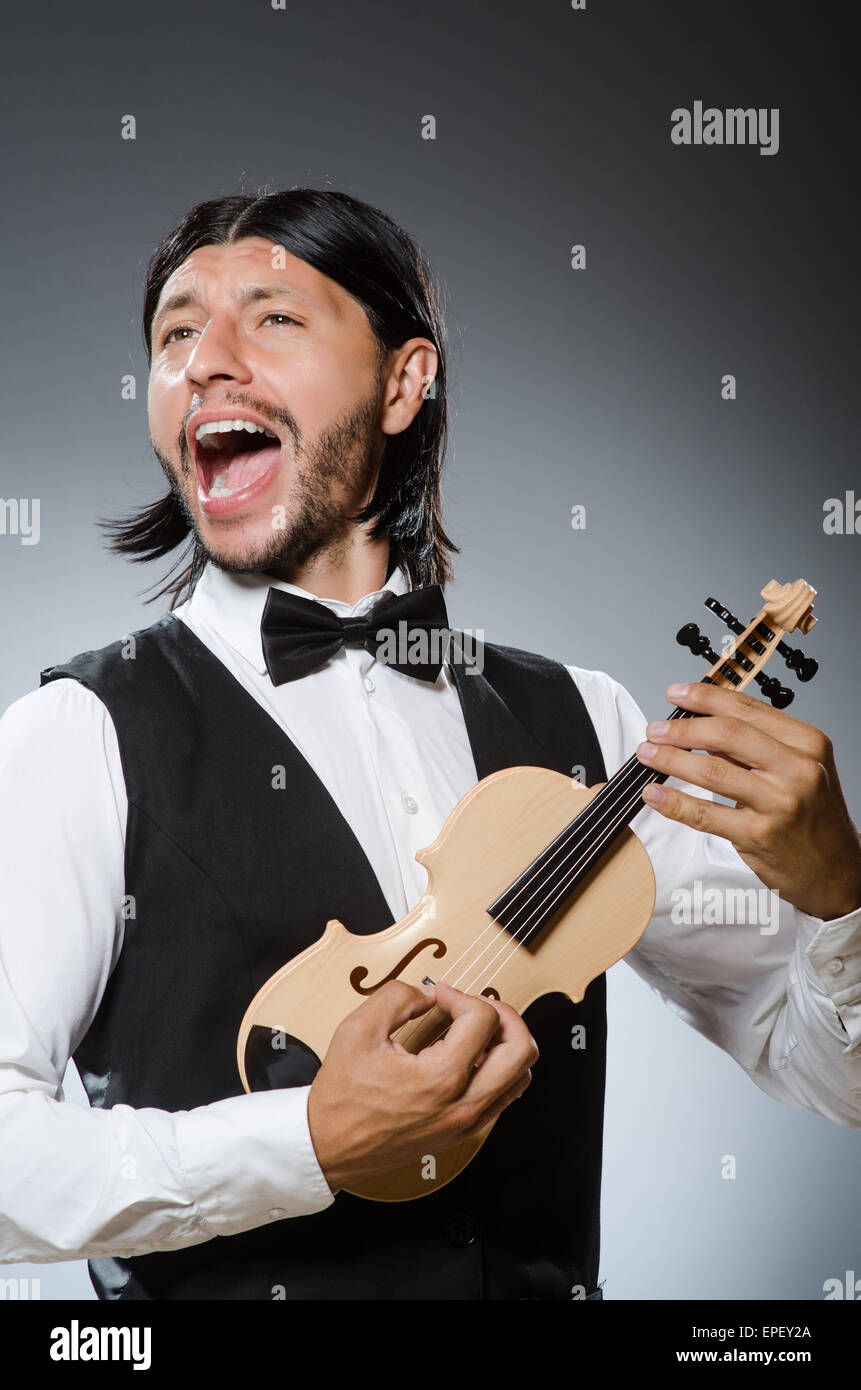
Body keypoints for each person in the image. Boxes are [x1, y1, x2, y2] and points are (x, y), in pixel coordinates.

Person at [1, 188, 859, 1301]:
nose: (204, 361)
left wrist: (841, 898)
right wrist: (302, 1142)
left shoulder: (584, 721)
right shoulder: (79, 735)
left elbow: (828, 1068)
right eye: (174, 332)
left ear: (405, 382)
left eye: (271, 318)